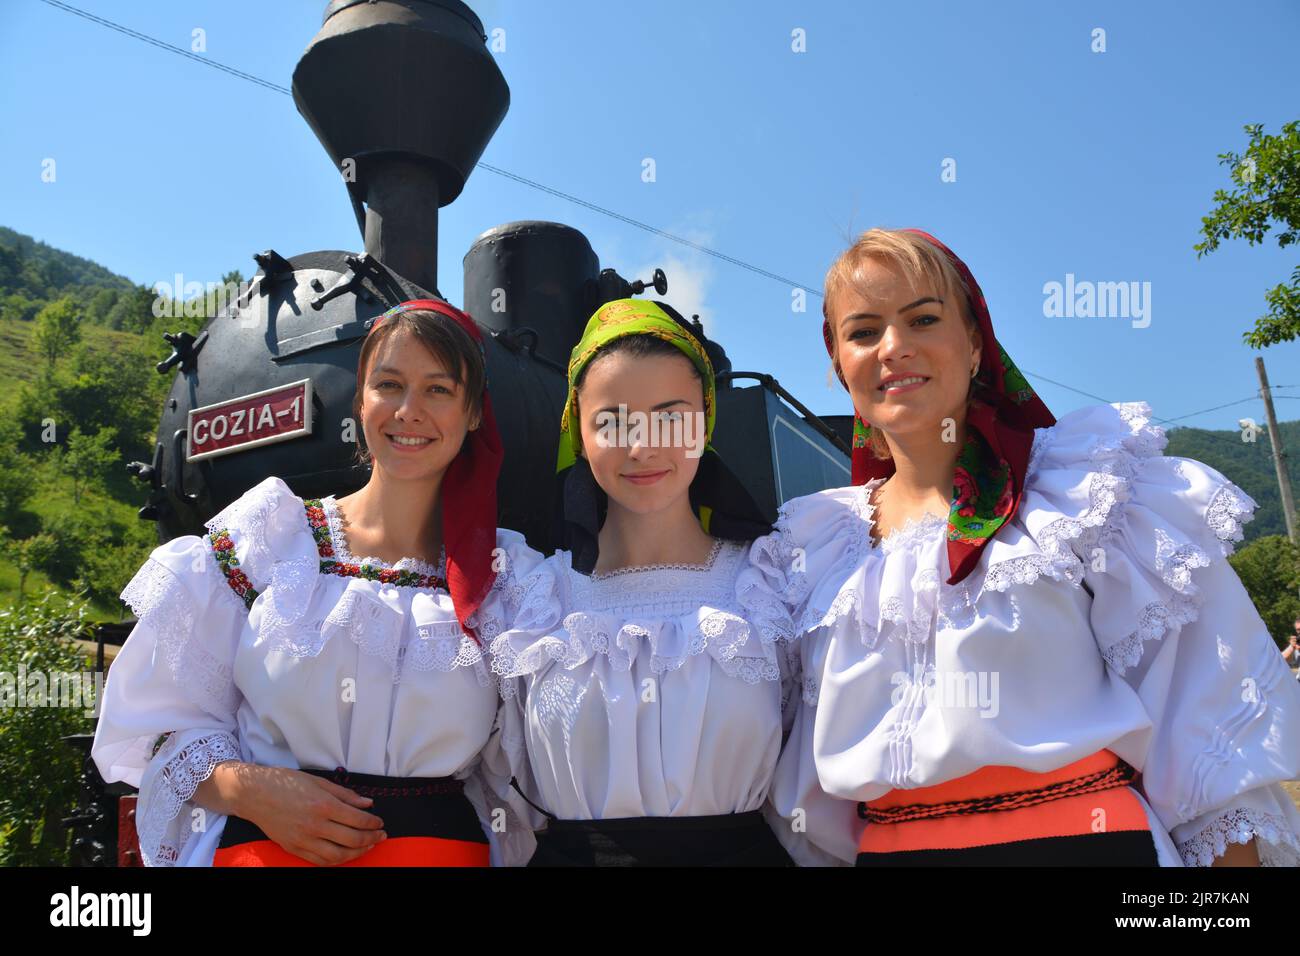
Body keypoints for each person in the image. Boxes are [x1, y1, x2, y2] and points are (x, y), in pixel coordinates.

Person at [756, 228, 1300, 866]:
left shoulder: (1086, 494)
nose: (893, 348)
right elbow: (797, 784)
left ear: (977, 344)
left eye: (923, 319)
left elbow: (1209, 715)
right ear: (838, 363)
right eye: (864, 331)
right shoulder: (814, 547)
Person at [91, 299, 542, 866]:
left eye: (439, 390)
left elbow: (520, 774)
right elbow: (159, 731)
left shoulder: (510, 580)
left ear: (474, 413)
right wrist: (249, 789)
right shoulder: (270, 544)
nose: (408, 410)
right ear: (362, 399)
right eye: (389, 384)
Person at [480, 298, 802, 865]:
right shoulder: (532, 602)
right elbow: (499, 793)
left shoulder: (770, 587)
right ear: (578, 433)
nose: (643, 445)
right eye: (612, 421)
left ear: (705, 422)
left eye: (671, 416)